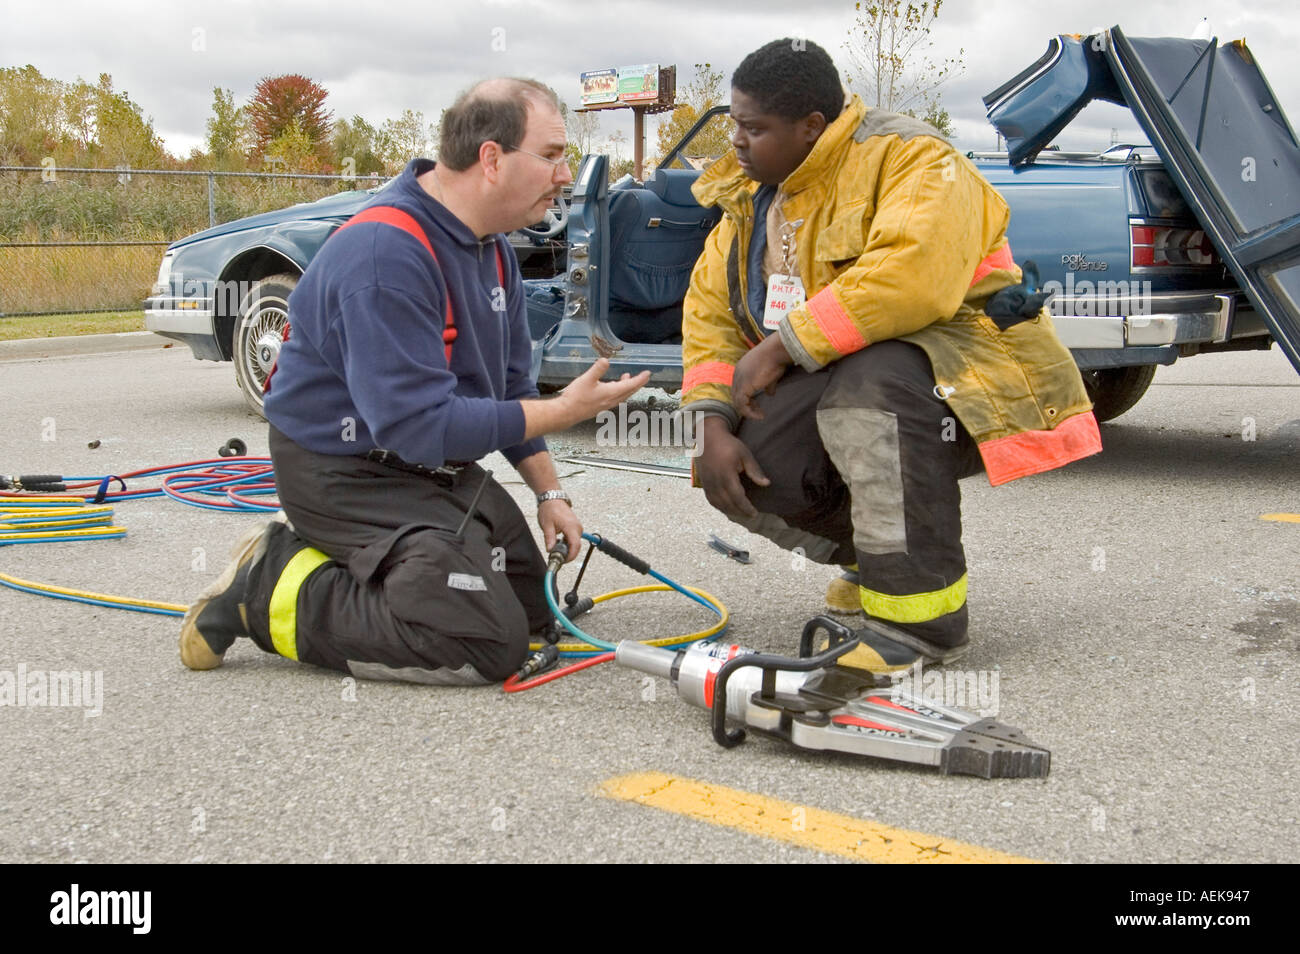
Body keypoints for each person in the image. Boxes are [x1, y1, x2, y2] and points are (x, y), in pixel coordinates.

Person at [180, 77, 649, 685]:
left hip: (419, 463)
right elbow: (419, 425)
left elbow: (508, 391)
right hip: (341, 471)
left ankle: (386, 567)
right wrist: (563, 412)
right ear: (491, 158)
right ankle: (270, 583)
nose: (566, 175)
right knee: (487, 641)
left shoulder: (493, 250)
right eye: (553, 155)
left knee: (535, 613)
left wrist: (549, 494)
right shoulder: (386, 255)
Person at [681, 40, 1102, 673]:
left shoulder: (914, 159)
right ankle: (875, 561)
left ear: (811, 128)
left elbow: (912, 277)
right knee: (748, 447)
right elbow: (710, 321)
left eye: (754, 127)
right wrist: (711, 424)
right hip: (858, 382)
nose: (735, 141)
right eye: (732, 123)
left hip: (960, 382)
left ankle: (921, 624)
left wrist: (782, 346)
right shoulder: (748, 203)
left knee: (867, 387)